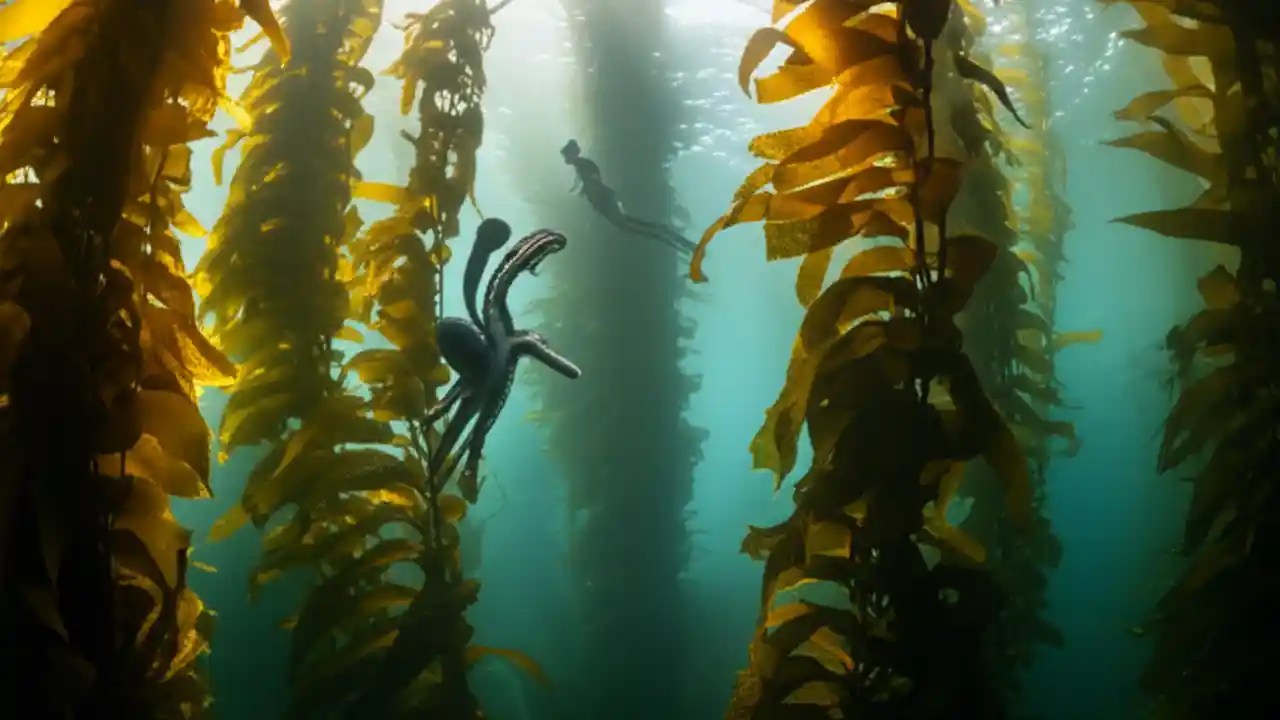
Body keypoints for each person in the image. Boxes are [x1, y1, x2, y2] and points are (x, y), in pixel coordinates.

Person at [560, 139, 697, 256]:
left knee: (629, 225)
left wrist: (592, 197)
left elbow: (593, 181)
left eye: (566, 156)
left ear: (571, 154)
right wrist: (581, 192)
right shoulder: (581, 165)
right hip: (603, 200)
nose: (565, 159)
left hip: (604, 200)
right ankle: (673, 239)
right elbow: (585, 181)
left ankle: (670, 237)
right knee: (629, 224)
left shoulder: (583, 165)